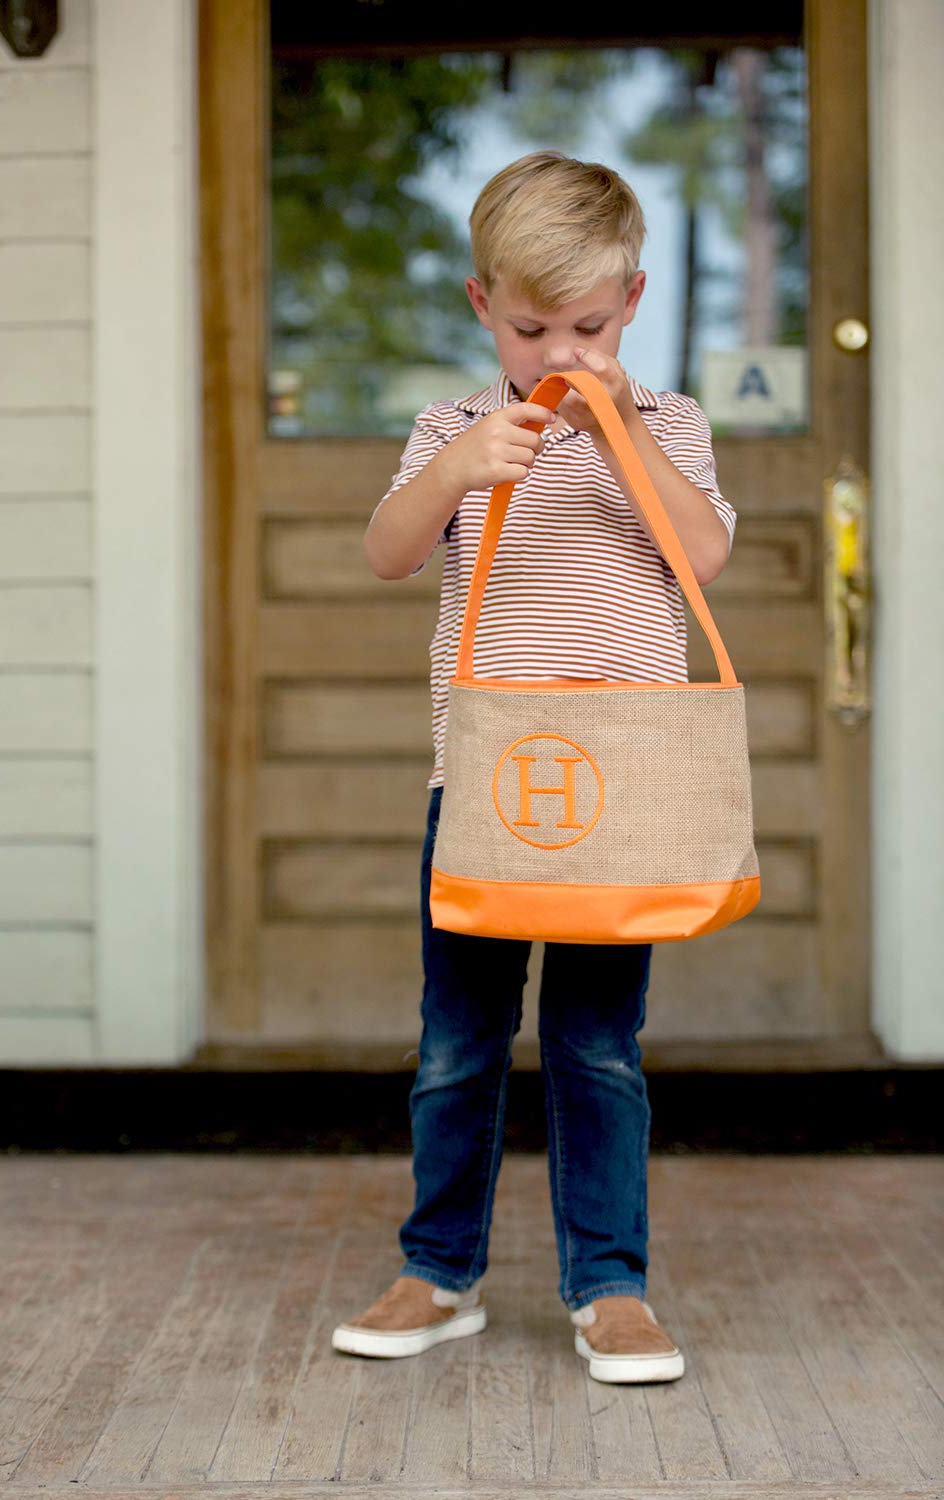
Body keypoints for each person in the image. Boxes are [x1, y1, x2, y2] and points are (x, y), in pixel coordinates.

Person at [331, 150, 736, 1384]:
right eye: (528, 327)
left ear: (634, 304)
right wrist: (454, 473)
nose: (559, 353)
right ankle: (436, 1270)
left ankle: (609, 1285)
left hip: (619, 789)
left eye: (589, 325)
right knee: (456, 1042)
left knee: (598, 1045)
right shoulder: (455, 426)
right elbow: (388, 553)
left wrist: (616, 440)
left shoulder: (665, 425)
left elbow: (702, 552)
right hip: (483, 787)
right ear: (479, 309)